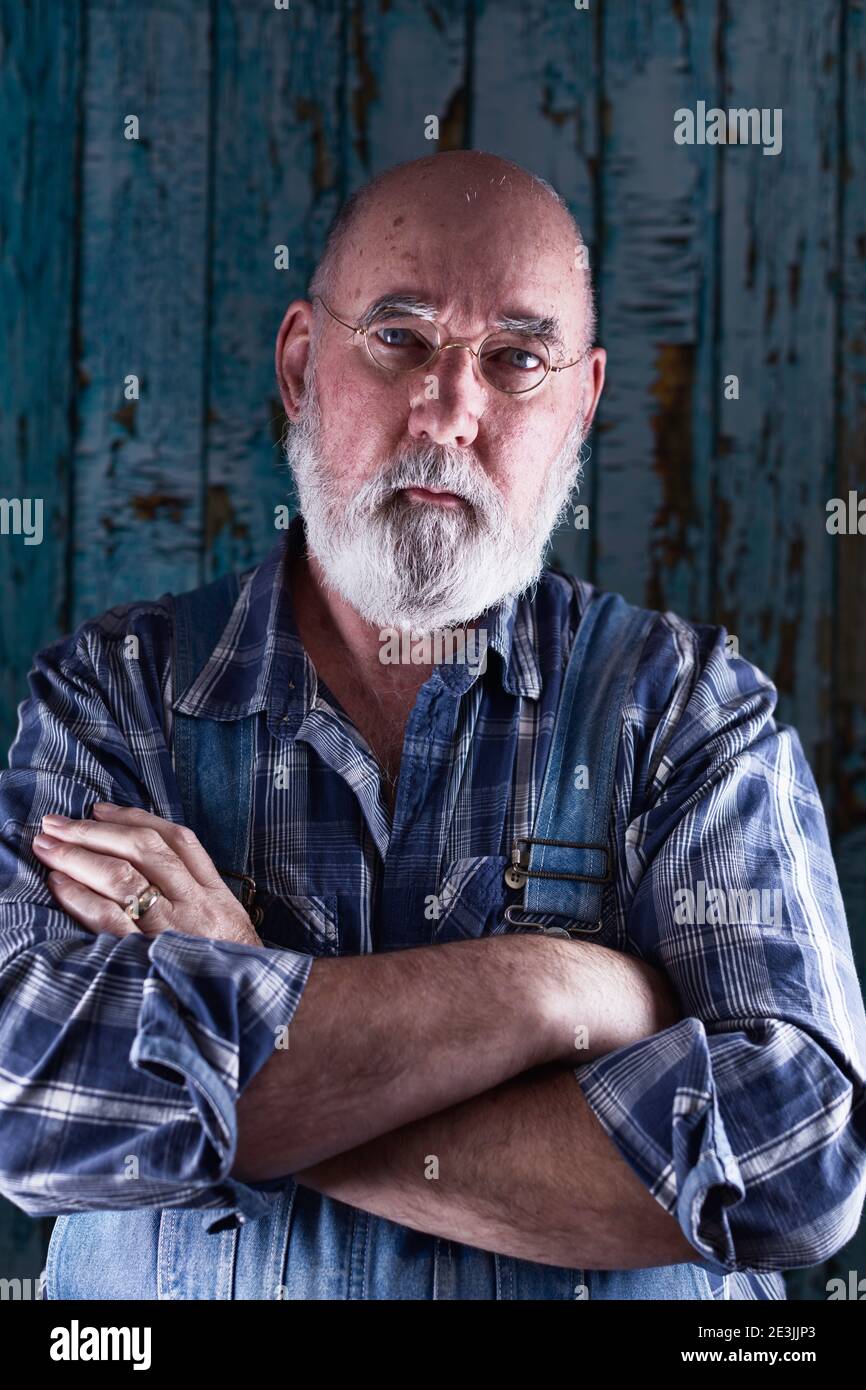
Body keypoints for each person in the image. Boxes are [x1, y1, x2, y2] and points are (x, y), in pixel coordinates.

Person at [2, 151, 865, 1301]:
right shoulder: (113, 699)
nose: (448, 411)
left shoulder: (688, 714)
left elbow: (794, 1160)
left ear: (581, 403)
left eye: (515, 359)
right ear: (304, 363)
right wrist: (550, 995)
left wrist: (252, 1038)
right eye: (399, 337)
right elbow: (31, 1101)